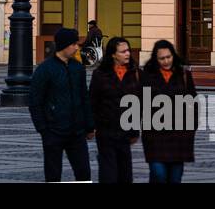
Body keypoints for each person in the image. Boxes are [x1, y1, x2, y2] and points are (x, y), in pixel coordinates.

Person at [28, 27, 94, 182]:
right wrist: (43, 129)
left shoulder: (78, 67)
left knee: (84, 173)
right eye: (74, 44)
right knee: (53, 175)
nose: (77, 47)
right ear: (64, 45)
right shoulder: (45, 69)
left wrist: (90, 126)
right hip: (54, 131)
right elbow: (35, 102)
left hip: (77, 132)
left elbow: (84, 98)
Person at [140, 40, 197, 184]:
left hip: (179, 136)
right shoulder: (147, 76)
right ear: (156, 59)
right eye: (162, 58)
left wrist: (190, 129)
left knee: (175, 178)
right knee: (159, 174)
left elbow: (193, 104)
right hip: (155, 135)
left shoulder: (183, 75)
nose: (166, 61)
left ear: (173, 56)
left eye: (168, 57)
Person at [89, 37, 140, 184]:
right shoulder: (100, 74)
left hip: (126, 132)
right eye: (123, 51)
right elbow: (92, 101)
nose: (128, 54)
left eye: (128, 50)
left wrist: (135, 130)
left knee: (125, 174)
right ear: (113, 54)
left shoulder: (134, 73)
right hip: (106, 132)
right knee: (108, 174)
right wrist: (91, 126)